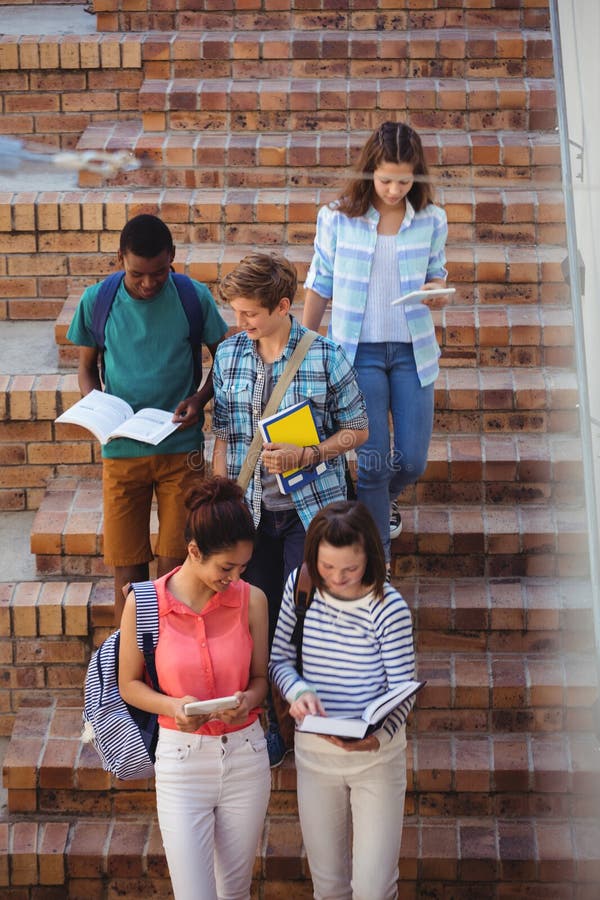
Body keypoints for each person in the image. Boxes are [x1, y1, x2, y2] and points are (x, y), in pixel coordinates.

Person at [211, 250, 369, 766]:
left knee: (302, 621)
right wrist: (219, 504)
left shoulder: (327, 356)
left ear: (282, 306)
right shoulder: (230, 354)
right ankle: (271, 728)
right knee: (253, 623)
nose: (241, 323)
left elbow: (359, 429)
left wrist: (312, 452)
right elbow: (224, 436)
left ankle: (309, 722)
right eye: (236, 312)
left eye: (250, 313)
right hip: (249, 516)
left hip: (310, 514)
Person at [302, 120, 449, 569]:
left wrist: (437, 290)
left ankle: (383, 501)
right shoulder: (337, 217)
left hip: (411, 352)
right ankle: (378, 563)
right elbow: (320, 282)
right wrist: (303, 343)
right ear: (370, 172)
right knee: (372, 463)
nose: (393, 188)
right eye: (386, 179)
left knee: (411, 461)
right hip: (358, 354)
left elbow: (437, 274)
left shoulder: (431, 219)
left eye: (404, 180)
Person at [66, 214, 228, 621]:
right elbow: (86, 368)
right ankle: (130, 664)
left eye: (159, 272)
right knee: (128, 567)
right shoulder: (98, 301)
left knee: (176, 564)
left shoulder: (192, 297)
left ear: (172, 257)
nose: (149, 282)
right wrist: (96, 404)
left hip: (179, 449)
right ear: (120, 258)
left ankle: (169, 662)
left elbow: (224, 357)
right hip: (121, 450)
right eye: (137, 273)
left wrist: (200, 398)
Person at [118, 476, 271, 900]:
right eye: (226, 567)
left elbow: (260, 680)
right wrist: (174, 705)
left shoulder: (253, 600)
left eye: (242, 566)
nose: (235, 577)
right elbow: (128, 684)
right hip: (181, 763)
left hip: (246, 756)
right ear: (193, 551)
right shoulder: (145, 602)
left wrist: (247, 701)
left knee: (234, 893)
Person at [269, 500, 416, 900]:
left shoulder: (390, 608)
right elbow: (279, 660)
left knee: (374, 888)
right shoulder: (299, 588)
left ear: (370, 555)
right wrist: (298, 691)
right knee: (329, 887)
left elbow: (403, 691)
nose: (337, 578)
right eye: (327, 568)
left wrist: (378, 735)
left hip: (377, 761)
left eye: (349, 569)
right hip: (316, 758)